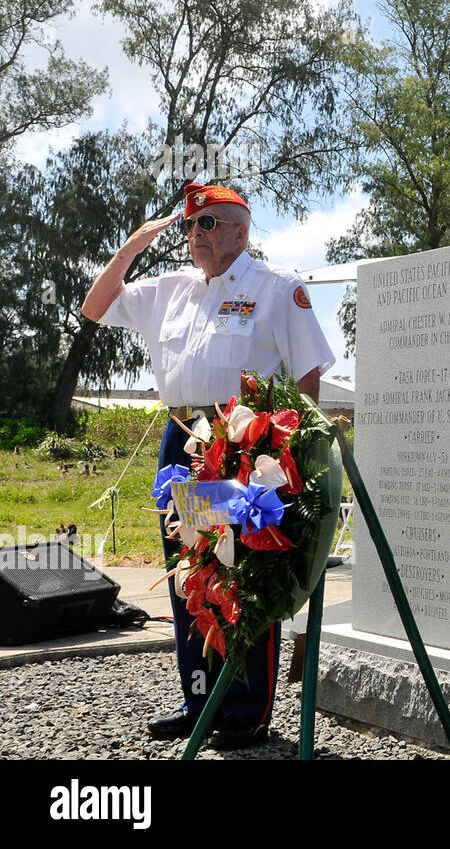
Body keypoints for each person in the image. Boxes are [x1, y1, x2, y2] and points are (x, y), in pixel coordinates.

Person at [81, 182, 334, 749]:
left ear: (241, 233)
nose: (195, 234)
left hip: (240, 444)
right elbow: (94, 308)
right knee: (191, 576)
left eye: (209, 225)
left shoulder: (276, 289)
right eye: (192, 225)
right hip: (184, 446)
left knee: (242, 572)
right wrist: (130, 249)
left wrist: (284, 460)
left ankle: (245, 709)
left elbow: (307, 380)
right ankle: (200, 698)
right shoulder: (171, 289)